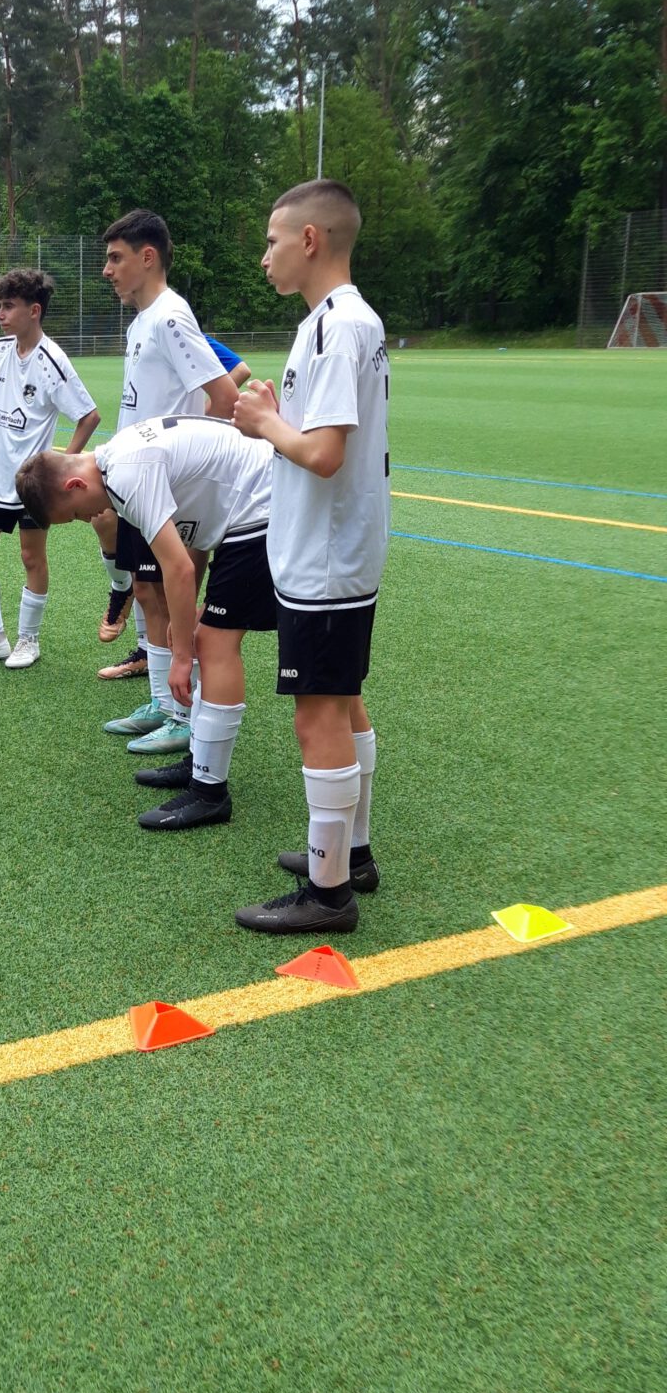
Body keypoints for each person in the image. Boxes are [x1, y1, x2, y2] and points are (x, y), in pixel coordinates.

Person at [231, 178, 387, 935]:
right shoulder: (339, 322)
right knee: (344, 699)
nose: (265, 256)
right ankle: (351, 854)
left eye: (271, 239)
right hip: (335, 551)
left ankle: (330, 896)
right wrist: (278, 414)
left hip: (325, 558)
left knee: (317, 714)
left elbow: (323, 455)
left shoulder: (336, 327)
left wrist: (264, 422)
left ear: (310, 240)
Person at [17, 413, 276, 829]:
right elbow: (194, 529)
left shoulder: (126, 475)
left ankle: (209, 793)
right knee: (206, 635)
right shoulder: (116, 459)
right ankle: (200, 766)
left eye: (76, 515)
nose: (87, 520)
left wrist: (181, 654)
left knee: (213, 644)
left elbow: (179, 568)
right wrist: (184, 613)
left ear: (75, 486)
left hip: (263, 506)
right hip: (246, 508)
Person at [97, 210, 239, 755]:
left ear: (147, 256)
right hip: (139, 480)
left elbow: (224, 397)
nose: (107, 270)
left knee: (172, 593)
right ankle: (164, 703)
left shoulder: (171, 317)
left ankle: (183, 712)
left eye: (115, 258)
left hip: (169, 485)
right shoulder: (141, 322)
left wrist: (199, 466)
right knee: (148, 591)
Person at [0, 269, 98, 669]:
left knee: (32, 558)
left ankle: (28, 640)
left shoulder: (52, 360)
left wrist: (62, 465)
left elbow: (88, 416)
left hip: (31, 485)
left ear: (34, 311)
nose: (1, 314)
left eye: (8, 306)